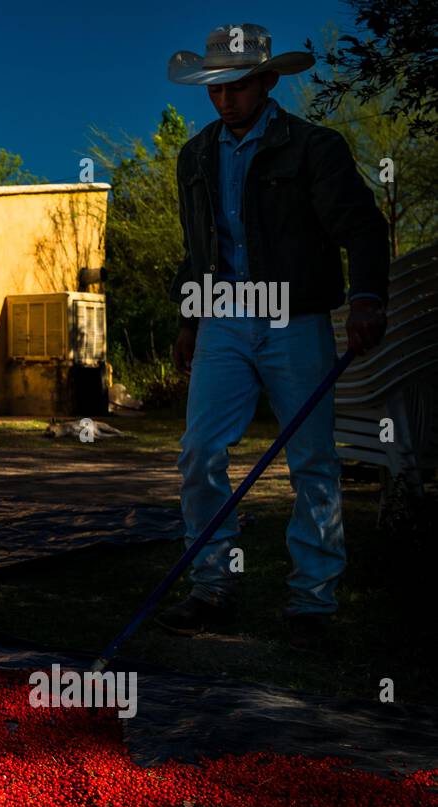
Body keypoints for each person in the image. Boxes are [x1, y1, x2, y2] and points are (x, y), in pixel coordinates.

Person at [158, 23, 389, 644]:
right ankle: (212, 585)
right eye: (214, 87)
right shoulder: (196, 155)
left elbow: (362, 229)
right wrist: (188, 319)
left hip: (295, 315)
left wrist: (367, 298)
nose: (224, 98)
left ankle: (312, 599)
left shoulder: (314, 147)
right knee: (199, 450)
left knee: (312, 459)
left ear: (265, 80)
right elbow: (197, 247)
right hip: (223, 314)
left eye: (235, 85)